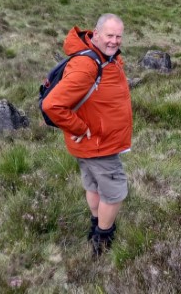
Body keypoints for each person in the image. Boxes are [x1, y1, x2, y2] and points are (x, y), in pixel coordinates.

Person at [42, 13, 133, 256]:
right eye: (109, 35)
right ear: (96, 33)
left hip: (92, 144)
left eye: (118, 36)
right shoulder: (87, 65)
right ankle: (103, 241)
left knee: (93, 185)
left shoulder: (103, 57)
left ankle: (95, 227)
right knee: (114, 192)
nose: (114, 41)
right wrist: (81, 129)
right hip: (98, 145)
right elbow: (52, 105)